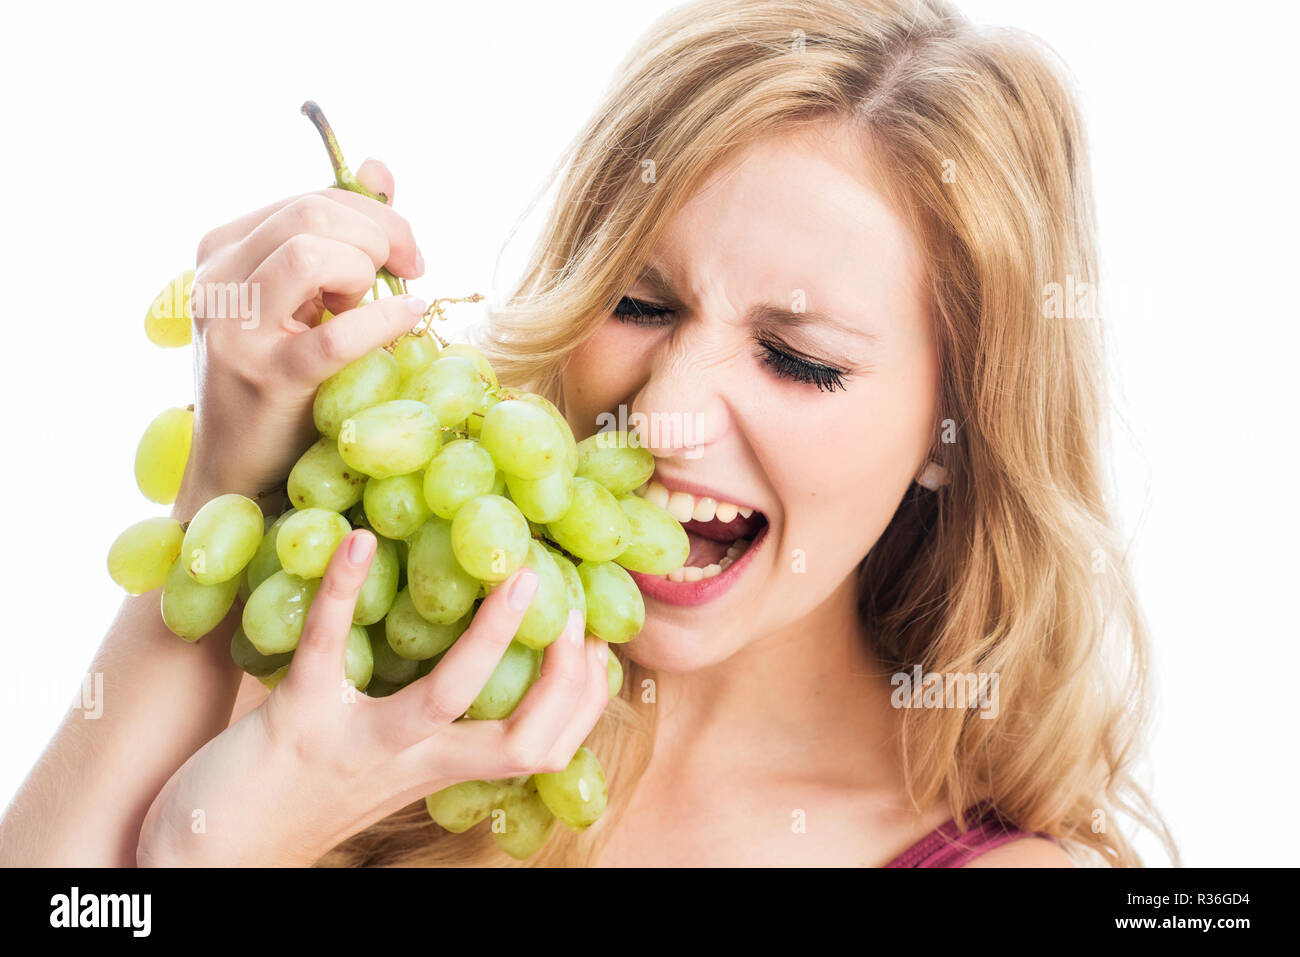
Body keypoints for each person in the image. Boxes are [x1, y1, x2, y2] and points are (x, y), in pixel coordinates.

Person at [0, 0, 1175, 867]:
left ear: (952, 425)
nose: (663, 410)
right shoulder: (367, 680)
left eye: (799, 359)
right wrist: (223, 491)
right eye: (640, 302)